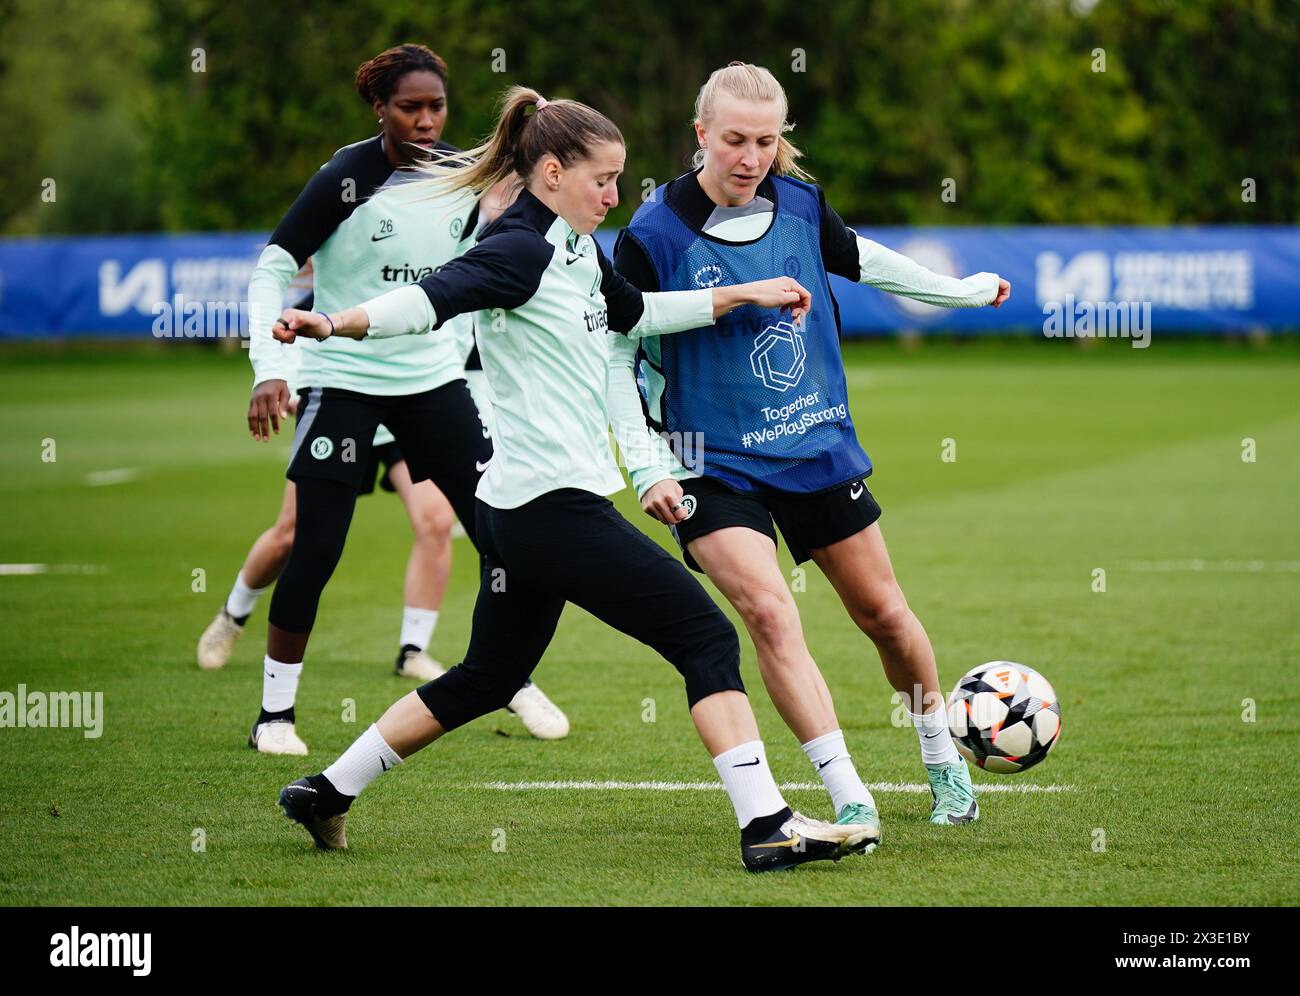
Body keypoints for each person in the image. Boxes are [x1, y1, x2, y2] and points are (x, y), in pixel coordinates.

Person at [270, 86, 880, 871]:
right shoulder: (520, 248)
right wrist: (332, 321)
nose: (615, 196)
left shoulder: (576, 243)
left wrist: (741, 294)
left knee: (489, 676)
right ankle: (766, 824)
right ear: (552, 171)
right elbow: (432, 299)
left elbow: (635, 314)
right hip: (548, 509)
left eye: (621, 181)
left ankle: (325, 791)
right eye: (604, 180)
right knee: (706, 637)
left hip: (514, 509)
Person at [610, 62, 1012, 829]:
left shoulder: (799, 202)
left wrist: (959, 291)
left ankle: (940, 759)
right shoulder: (654, 234)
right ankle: (847, 794)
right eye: (733, 139)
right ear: (701, 135)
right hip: (711, 461)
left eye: (765, 140)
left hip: (816, 445)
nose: (749, 157)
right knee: (768, 613)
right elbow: (620, 349)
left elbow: (862, 258)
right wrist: (646, 461)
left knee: (885, 615)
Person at [241, 45, 566, 757]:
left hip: (430, 381)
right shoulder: (345, 177)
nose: (424, 120)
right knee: (317, 544)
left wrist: (537, 125)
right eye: (408, 107)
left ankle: (508, 675)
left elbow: (536, 179)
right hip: (342, 376)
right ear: (379, 108)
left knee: (503, 533)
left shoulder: (460, 175)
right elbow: (271, 269)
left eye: (436, 107)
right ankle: (274, 716)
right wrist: (272, 368)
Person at [200, 261, 567, 740]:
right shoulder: (341, 263)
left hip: (412, 396)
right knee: (294, 536)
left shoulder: (442, 240)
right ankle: (233, 615)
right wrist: (284, 380)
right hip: (343, 392)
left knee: (438, 521)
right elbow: (291, 316)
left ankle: (428, 655)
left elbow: (449, 320)